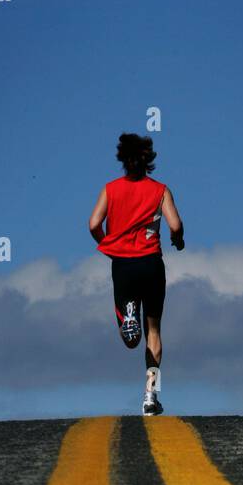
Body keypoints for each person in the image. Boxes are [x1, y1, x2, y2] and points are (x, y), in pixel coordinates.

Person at [89, 133, 184, 416]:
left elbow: (94, 223)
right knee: (153, 331)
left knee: (130, 339)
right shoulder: (160, 190)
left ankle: (129, 314)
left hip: (123, 265)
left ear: (123, 159)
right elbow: (176, 225)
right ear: (148, 160)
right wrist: (177, 240)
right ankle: (150, 396)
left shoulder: (110, 189)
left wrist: (108, 243)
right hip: (152, 264)